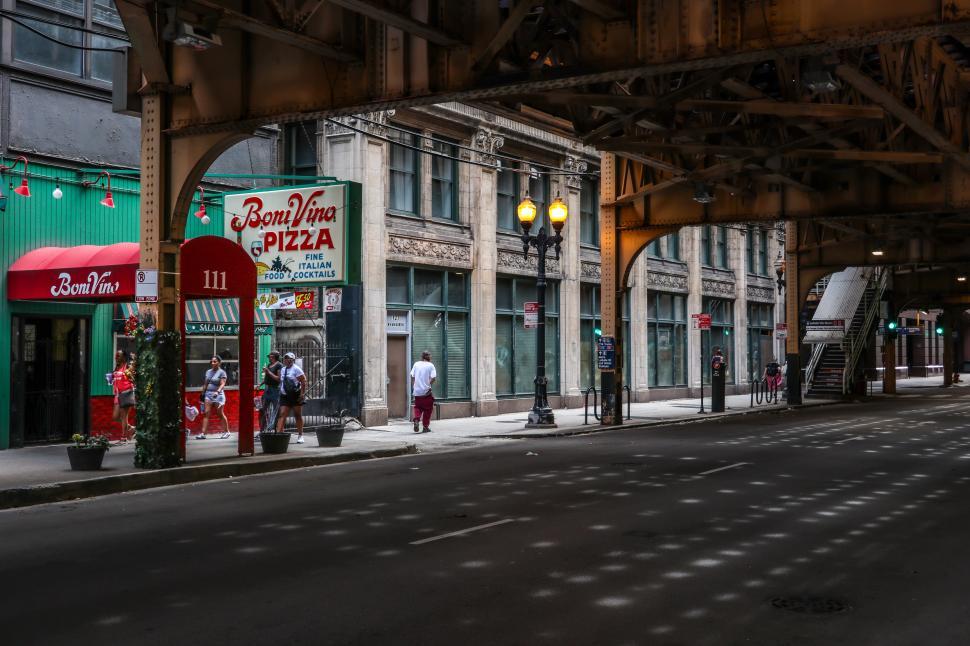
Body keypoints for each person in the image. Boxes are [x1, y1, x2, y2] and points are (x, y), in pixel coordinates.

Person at [276, 352, 307, 443]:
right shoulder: (282, 370)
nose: (287, 360)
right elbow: (281, 382)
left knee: (297, 415)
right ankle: (279, 435)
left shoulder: (297, 369)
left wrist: (302, 394)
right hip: (285, 396)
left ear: (293, 360)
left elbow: (303, 381)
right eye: (286, 358)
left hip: (295, 396)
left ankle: (300, 435)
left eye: (290, 358)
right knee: (282, 415)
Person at [197, 355, 230, 440]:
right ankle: (203, 433)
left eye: (215, 361)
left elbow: (222, 383)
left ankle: (226, 432)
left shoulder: (222, 372)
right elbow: (206, 383)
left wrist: (217, 392)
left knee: (220, 414)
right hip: (208, 394)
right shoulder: (208, 372)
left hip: (218, 395)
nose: (213, 363)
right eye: (212, 361)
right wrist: (202, 393)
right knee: (206, 413)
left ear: (219, 363)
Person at [111, 350, 136, 442]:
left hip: (126, 393)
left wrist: (130, 373)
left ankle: (123, 437)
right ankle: (131, 428)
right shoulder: (117, 367)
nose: (116, 357)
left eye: (118, 355)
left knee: (123, 416)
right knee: (115, 417)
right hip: (117, 395)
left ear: (124, 357)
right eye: (116, 355)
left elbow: (133, 378)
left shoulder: (128, 366)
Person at [410, 350, 437, 433]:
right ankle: (425, 427)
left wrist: (414, 385)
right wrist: (428, 384)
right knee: (428, 409)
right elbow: (433, 378)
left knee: (418, 407)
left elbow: (412, 376)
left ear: (422, 357)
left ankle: (417, 419)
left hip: (417, 391)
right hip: (426, 392)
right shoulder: (431, 365)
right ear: (429, 357)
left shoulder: (416, 364)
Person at [259, 351, 283, 433]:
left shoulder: (279, 365)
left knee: (276, 410)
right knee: (263, 410)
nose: (269, 358)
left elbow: (278, 379)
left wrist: (268, 371)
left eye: (271, 356)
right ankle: (262, 430)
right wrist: (260, 384)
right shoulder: (269, 365)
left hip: (275, 390)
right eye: (269, 356)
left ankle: (275, 430)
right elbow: (267, 378)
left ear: (275, 357)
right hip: (267, 389)